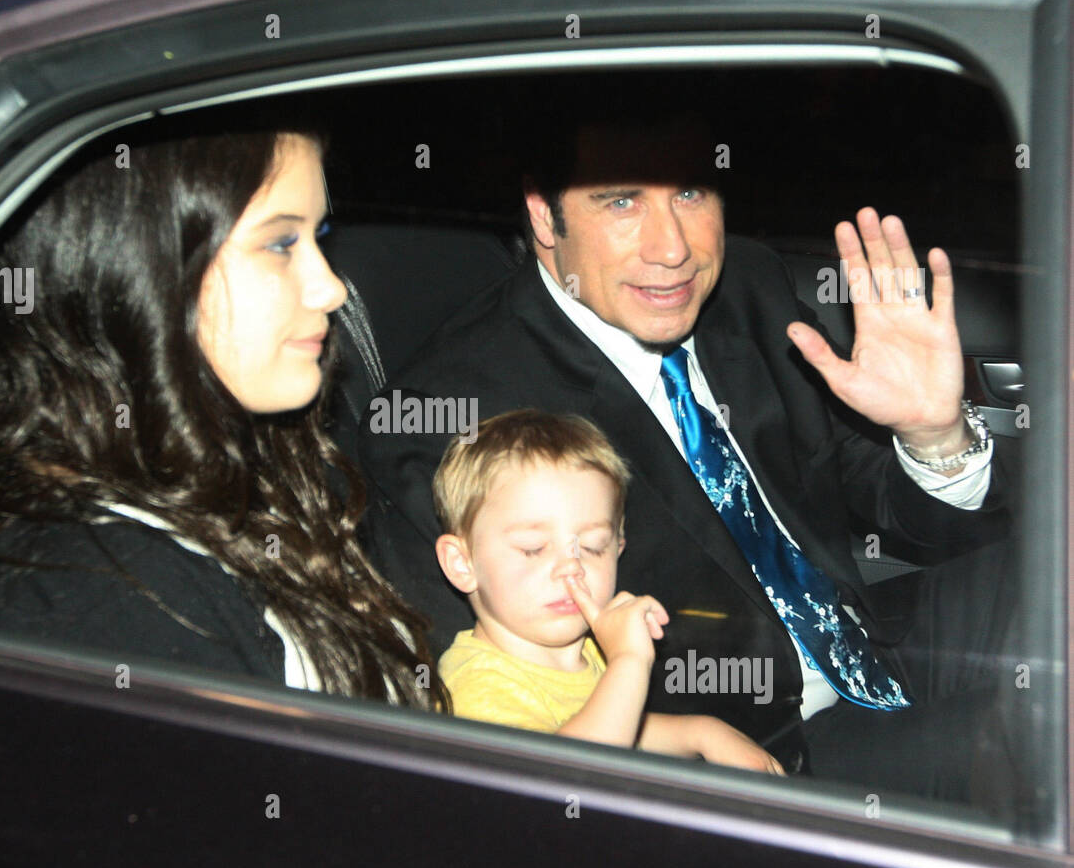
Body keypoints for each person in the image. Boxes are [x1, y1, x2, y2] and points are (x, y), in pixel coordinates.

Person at [358, 114, 1016, 790]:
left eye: (692, 192)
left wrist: (931, 434)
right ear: (543, 217)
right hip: (756, 759)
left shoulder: (750, 288)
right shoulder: (448, 419)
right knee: (1027, 729)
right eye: (621, 200)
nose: (672, 248)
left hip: (876, 638)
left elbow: (871, 491)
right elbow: (483, 748)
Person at [0, 126, 441, 709]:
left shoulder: (236, 483)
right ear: (134, 269)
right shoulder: (89, 600)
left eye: (321, 236)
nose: (331, 288)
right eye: (281, 244)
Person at [433, 408, 784, 773]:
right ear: (463, 564)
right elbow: (561, 780)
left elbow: (619, 727)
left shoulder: (589, 648)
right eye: (533, 548)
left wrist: (702, 733)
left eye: (593, 546)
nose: (571, 566)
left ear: (618, 547)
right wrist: (628, 663)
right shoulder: (475, 686)